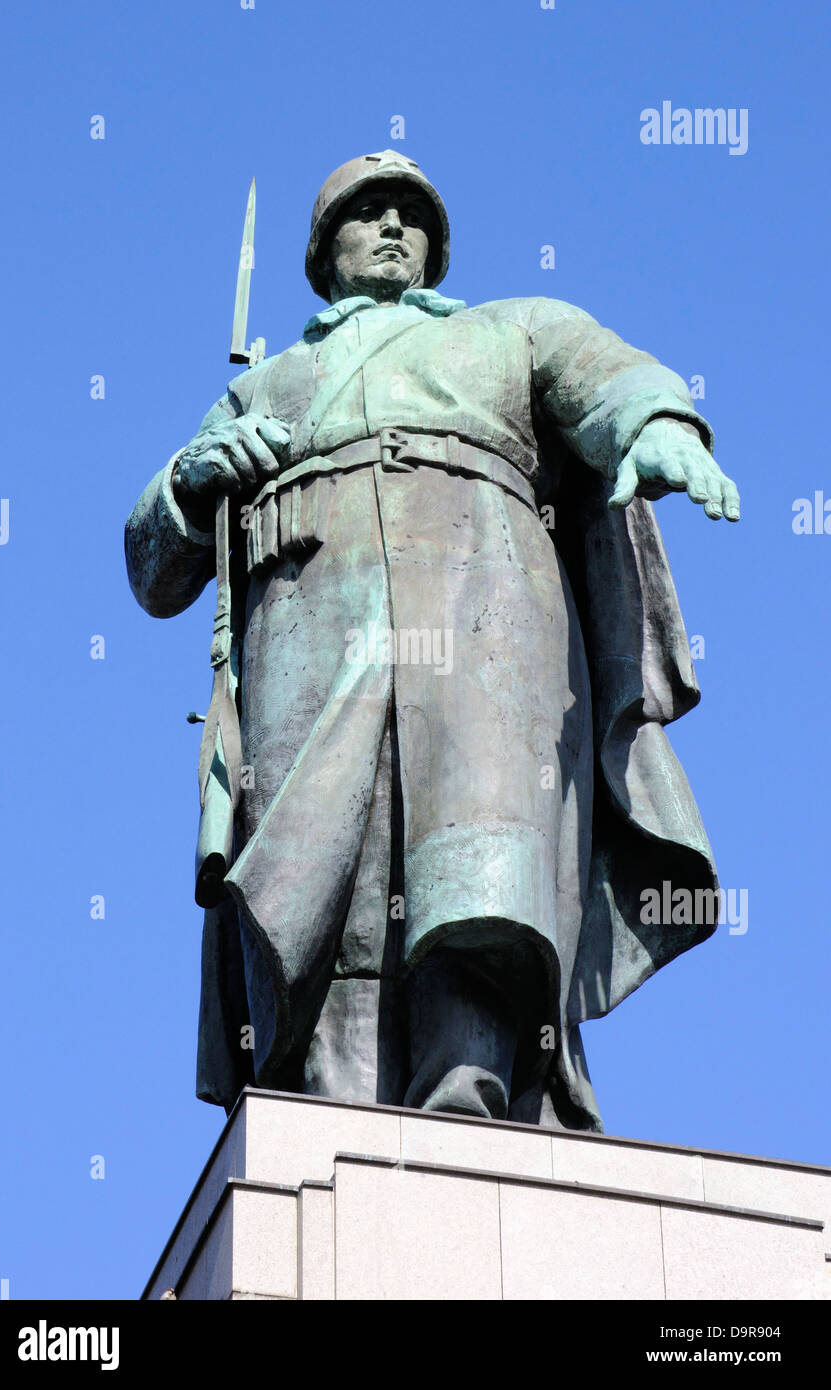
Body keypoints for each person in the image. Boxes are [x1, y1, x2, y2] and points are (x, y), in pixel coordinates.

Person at [125, 150, 739, 1130]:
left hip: (486, 609)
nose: (390, 227)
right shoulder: (263, 387)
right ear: (322, 251)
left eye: (409, 215)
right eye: (365, 211)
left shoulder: (511, 329)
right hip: (310, 629)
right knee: (324, 877)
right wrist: (192, 482)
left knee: (481, 859)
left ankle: (469, 1098)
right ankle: (333, 1114)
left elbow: (605, 377)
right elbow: (152, 571)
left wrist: (656, 423)